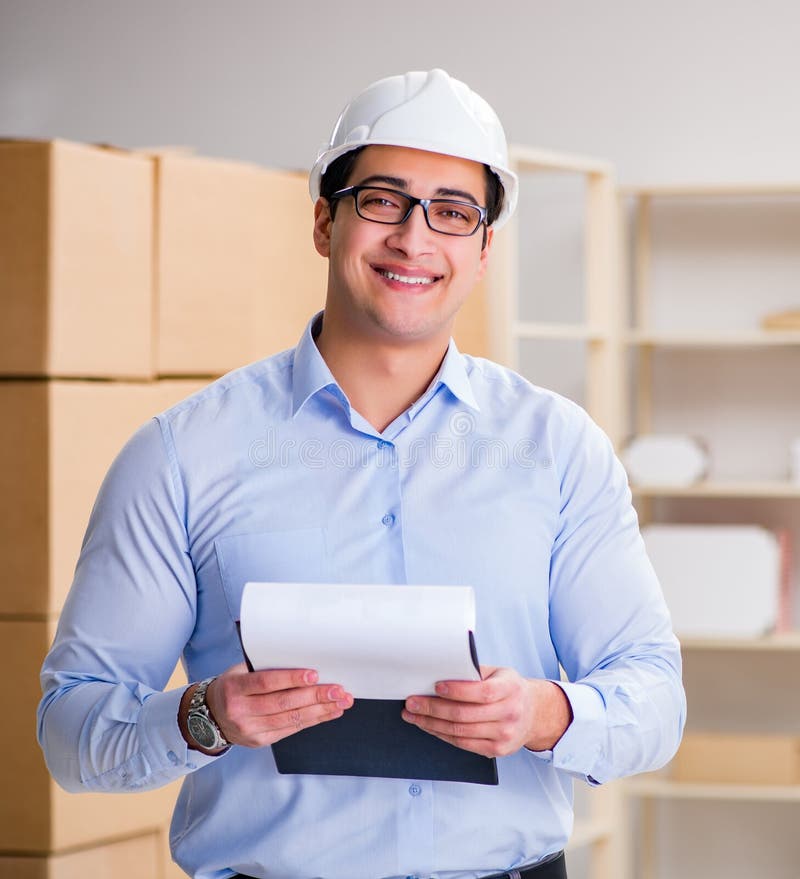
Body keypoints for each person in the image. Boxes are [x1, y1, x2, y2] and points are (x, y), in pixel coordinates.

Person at [38, 68, 685, 879]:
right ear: (324, 221)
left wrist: (543, 712)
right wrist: (205, 715)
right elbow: (71, 729)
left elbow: (655, 697)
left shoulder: (559, 449)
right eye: (383, 200)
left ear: (483, 249)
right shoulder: (181, 454)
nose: (414, 240)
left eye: (452, 213)